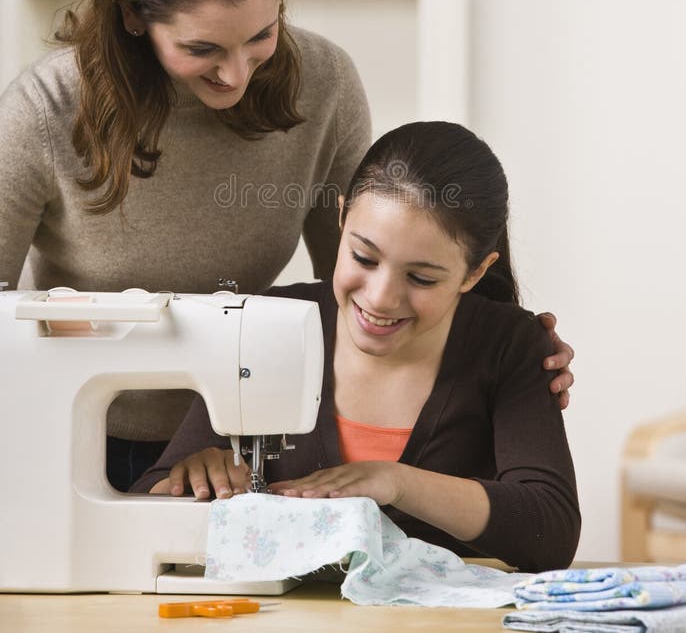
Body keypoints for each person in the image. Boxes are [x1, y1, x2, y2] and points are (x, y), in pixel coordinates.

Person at [0, 0, 572, 490]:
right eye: (202, 50)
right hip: (65, 437)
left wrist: (508, 352)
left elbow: (362, 285)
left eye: (260, 36)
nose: (237, 74)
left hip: (237, 441)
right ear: (135, 16)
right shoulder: (44, 110)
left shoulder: (323, 87)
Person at [132, 122, 581, 573]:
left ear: (475, 272)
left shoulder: (509, 345)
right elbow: (145, 502)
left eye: (421, 278)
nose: (381, 297)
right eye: (363, 257)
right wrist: (194, 475)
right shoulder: (271, 321)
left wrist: (397, 483)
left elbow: (551, 530)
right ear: (343, 217)